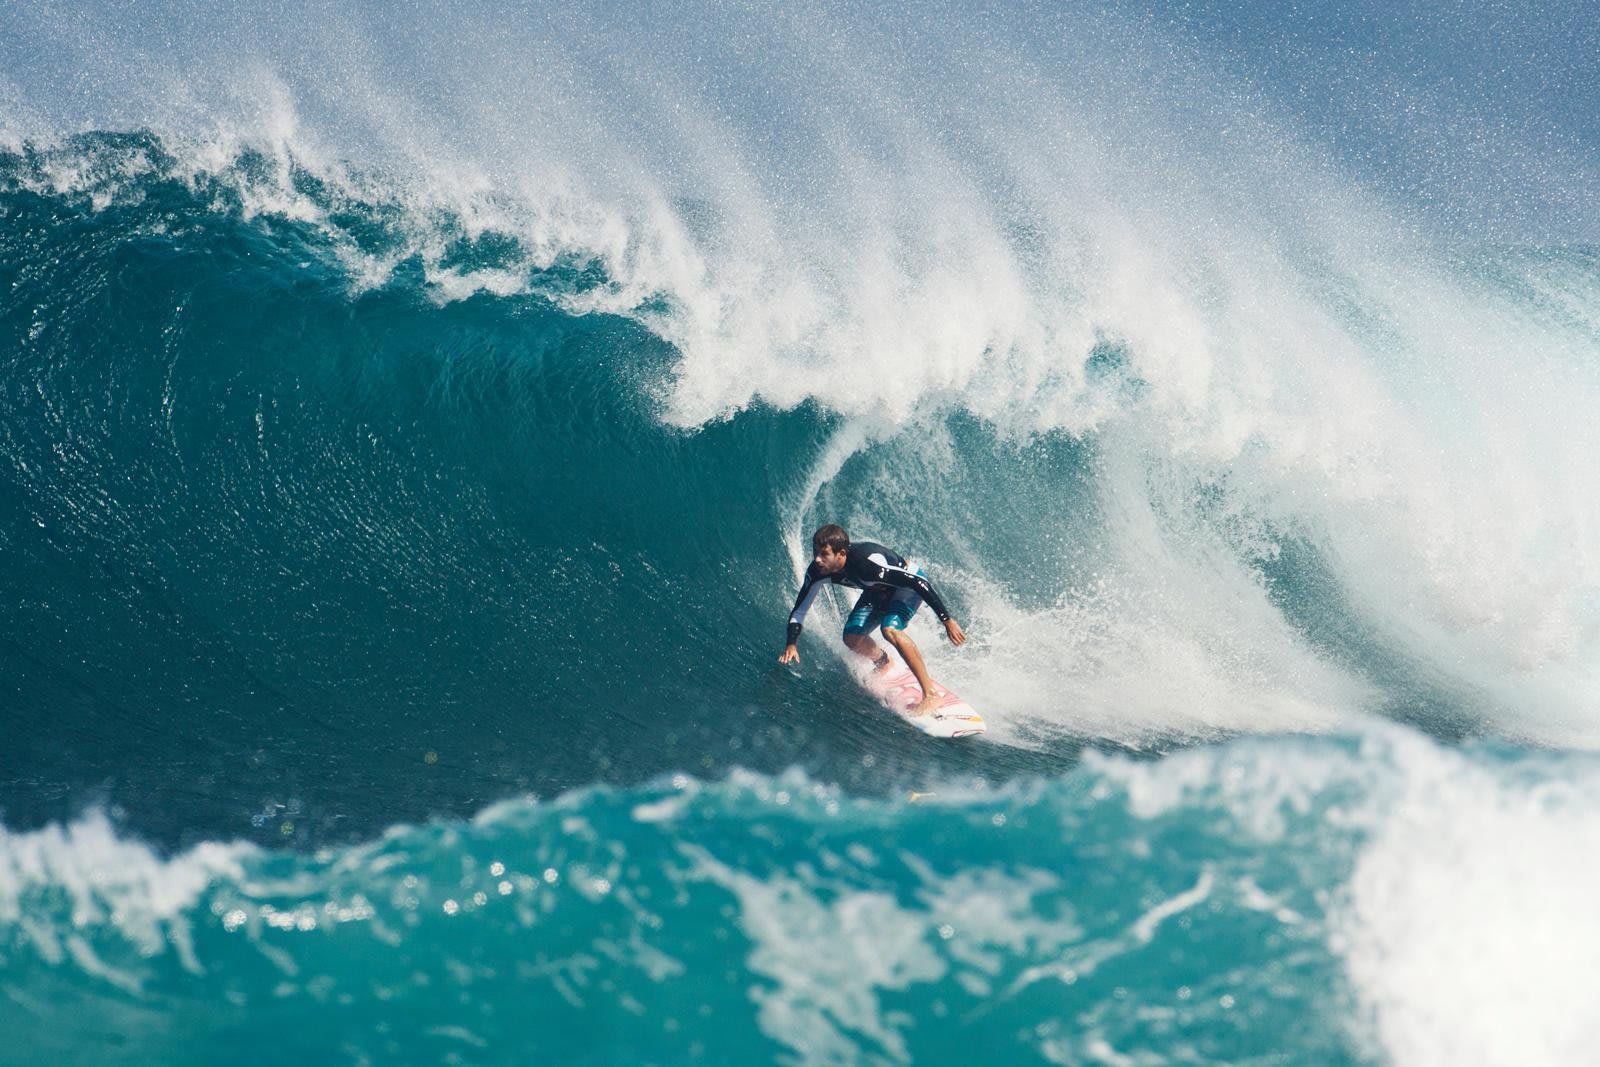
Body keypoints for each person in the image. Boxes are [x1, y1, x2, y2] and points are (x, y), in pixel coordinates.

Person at [779, 524, 967, 716]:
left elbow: (917, 583)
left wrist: (947, 620)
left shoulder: (868, 565)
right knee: (852, 638)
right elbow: (799, 611)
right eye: (816, 552)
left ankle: (931, 694)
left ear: (841, 554)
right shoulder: (818, 572)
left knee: (889, 629)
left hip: (909, 586)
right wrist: (791, 643)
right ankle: (884, 662)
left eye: (824, 554)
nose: (817, 559)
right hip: (877, 590)